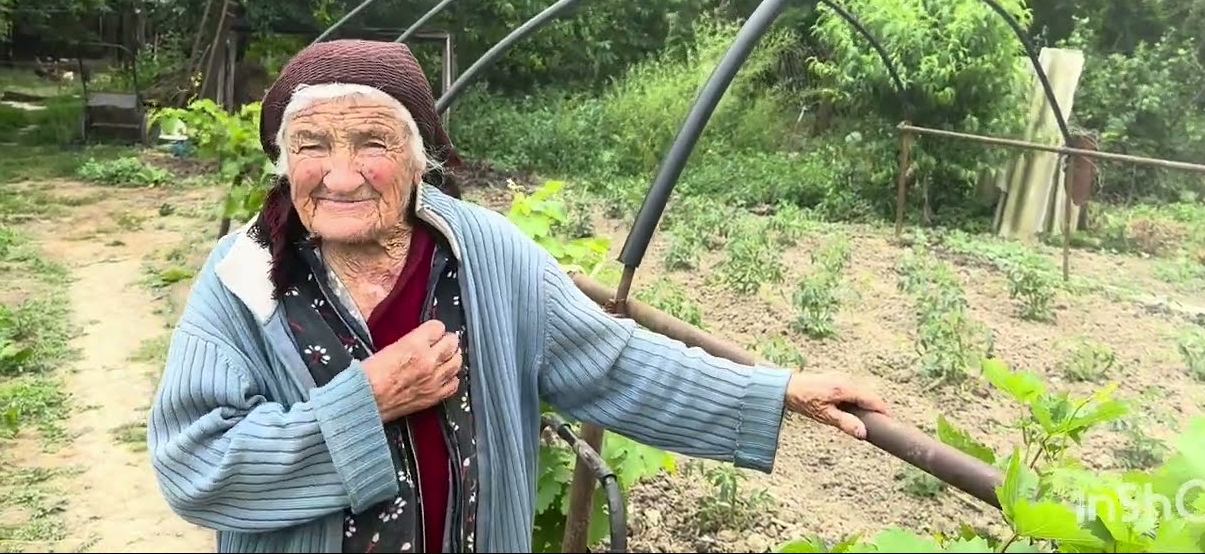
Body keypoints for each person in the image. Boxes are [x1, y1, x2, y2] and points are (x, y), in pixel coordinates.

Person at [146, 39, 890, 554]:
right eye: (312, 146)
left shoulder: (488, 257)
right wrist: (363, 402)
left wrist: (776, 393)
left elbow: (615, 365)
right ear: (285, 161)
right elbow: (194, 464)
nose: (340, 175)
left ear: (418, 159)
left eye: (371, 143)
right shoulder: (243, 278)